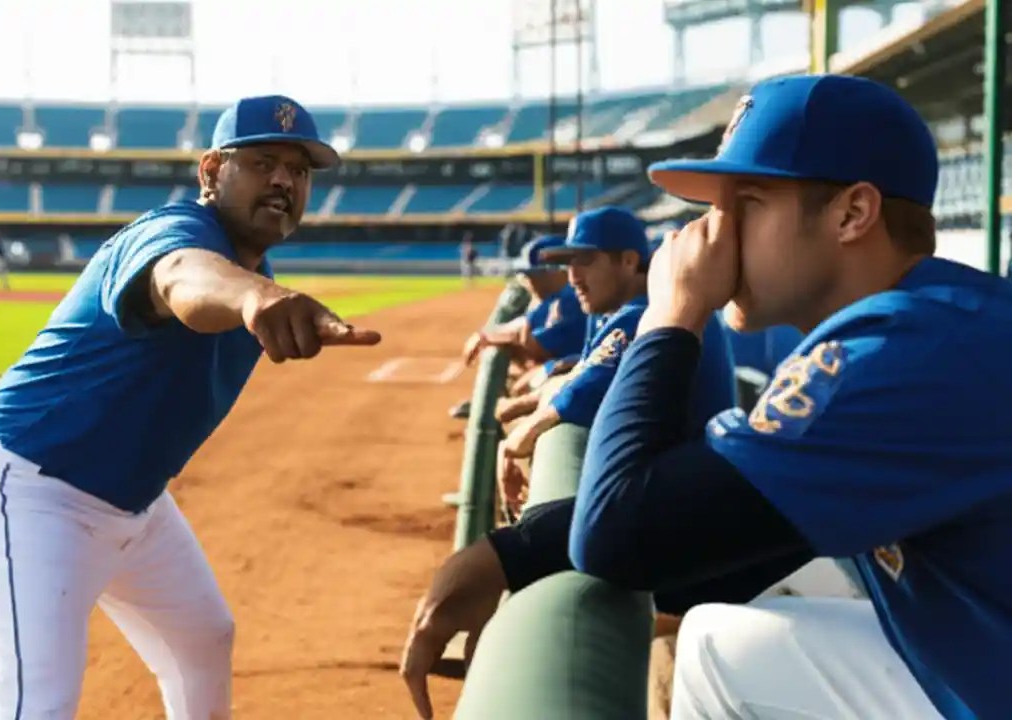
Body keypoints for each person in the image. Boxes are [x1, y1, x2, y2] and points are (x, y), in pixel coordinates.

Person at [399, 74, 1011, 720]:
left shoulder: (907, 349)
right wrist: (513, 551)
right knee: (732, 631)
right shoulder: (937, 322)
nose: (709, 234)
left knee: (719, 652)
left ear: (852, 214)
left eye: (744, 203)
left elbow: (619, 535)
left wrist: (672, 313)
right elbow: (728, 545)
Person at [0, 95, 379, 720]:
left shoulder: (248, 265)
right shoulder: (174, 235)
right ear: (210, 172)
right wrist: (254, 297)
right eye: (263, 162)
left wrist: (253, 288)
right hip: (36, 488)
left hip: (135, 502)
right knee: (35, 701)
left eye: (300, 170)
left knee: (203, 640)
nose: (285, 180)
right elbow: (181, 278)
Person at [492, 207, 737, 515]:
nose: (573, 277)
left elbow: (589, 386)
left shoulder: (651, 309)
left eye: (585, 260)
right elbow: (583, 372)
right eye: (569, 263)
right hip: (677, 488)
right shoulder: (616, 306)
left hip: (695, 507)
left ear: (629, 261)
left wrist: (522, 434)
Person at [450, 234, 590, 419]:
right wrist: (488, 336)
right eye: (525, 275)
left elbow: (532, 342)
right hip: (572, 366)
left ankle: (488, 411)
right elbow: (524, 326)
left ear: (556, 272)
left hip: (580, 373)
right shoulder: (554, 298)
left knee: (521, 382)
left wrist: (489, 337)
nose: (529, 282)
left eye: (533, 275)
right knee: (519, 371)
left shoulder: (568, 299)